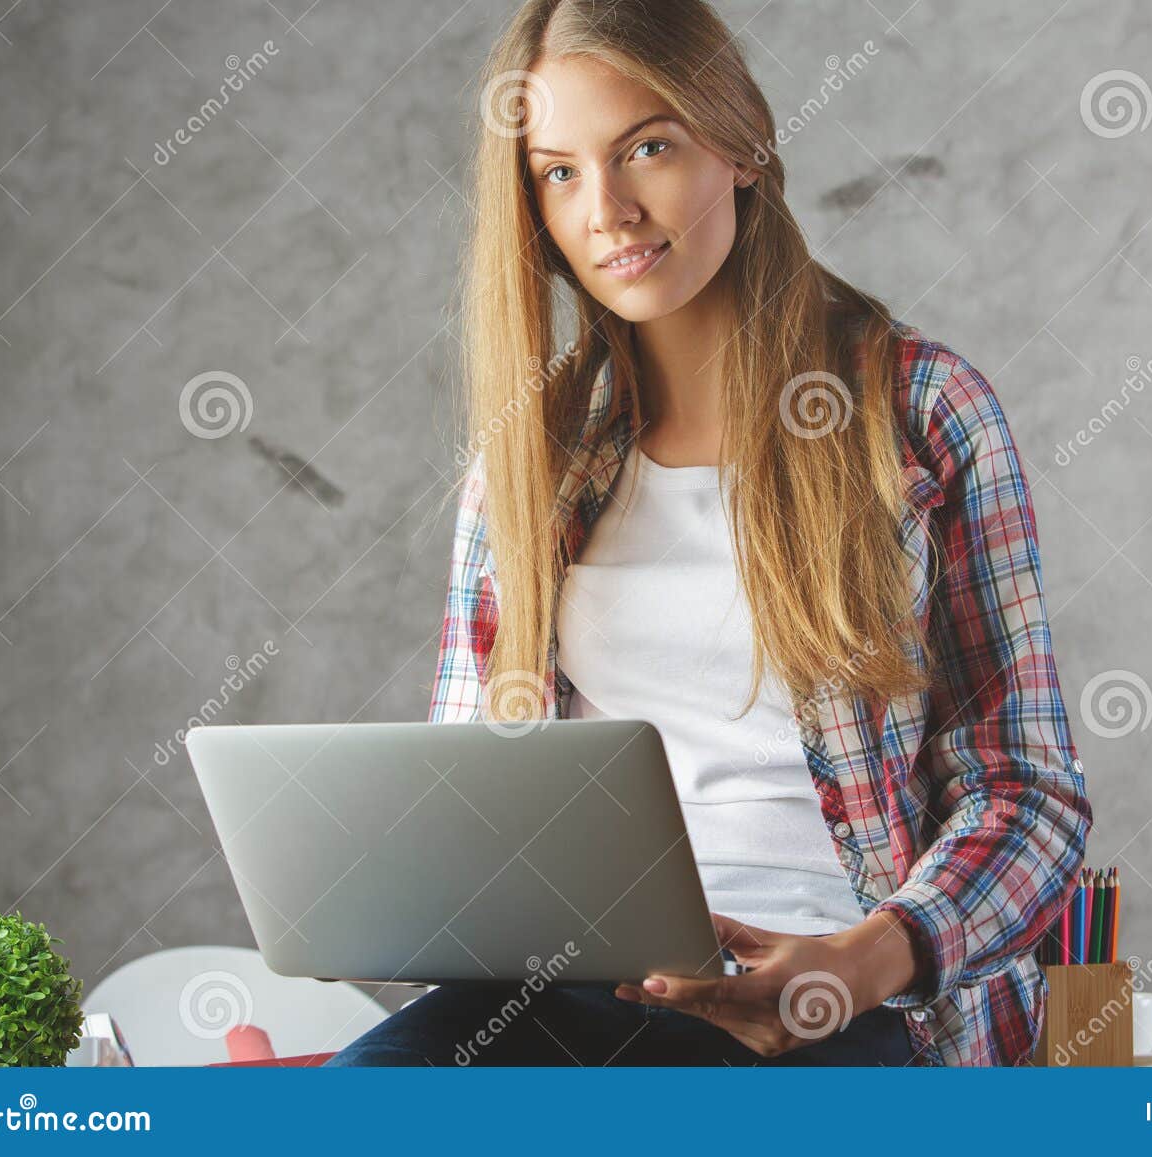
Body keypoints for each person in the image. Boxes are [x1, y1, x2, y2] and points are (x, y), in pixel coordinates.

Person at [325, 0, 1092, 1068]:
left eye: (648, 147)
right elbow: (476, 797)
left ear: (736, 144)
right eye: (558, 172)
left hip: (852, 991)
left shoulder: (919, 415)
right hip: (579, 987)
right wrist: (396, 904)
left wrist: (864, 958)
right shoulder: (527, 464)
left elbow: (1028, 790)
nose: (609, 210)